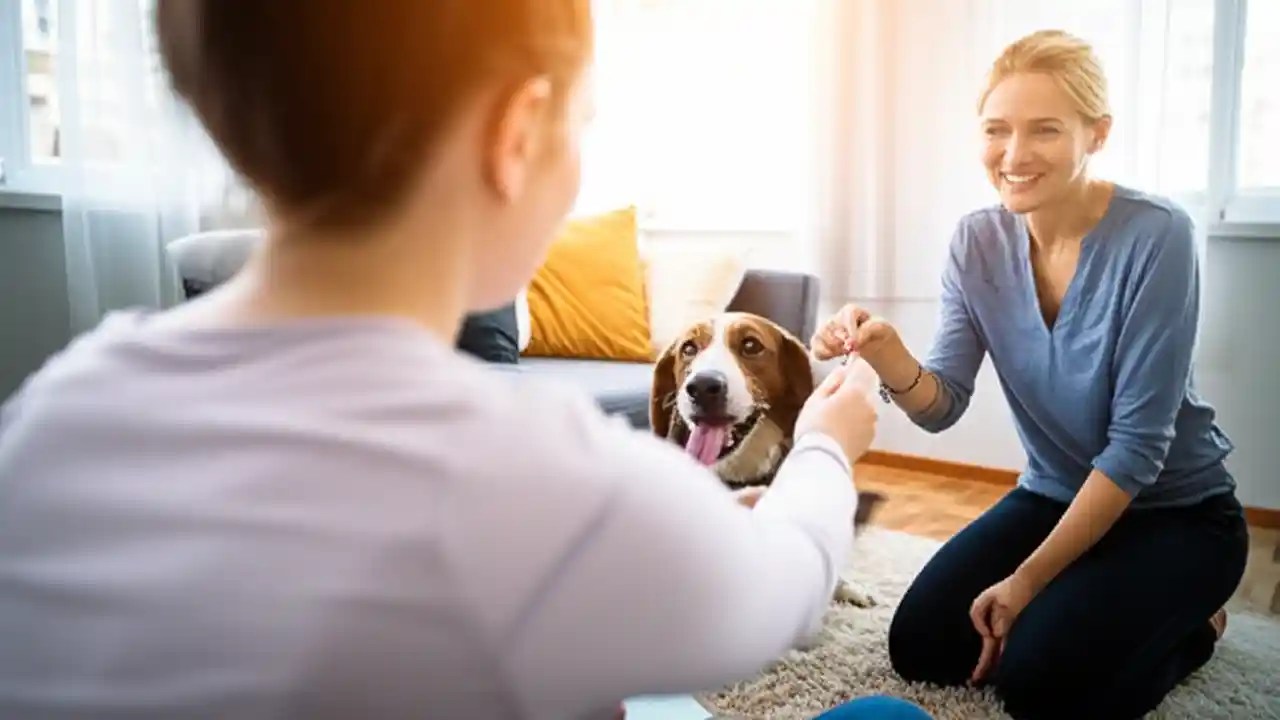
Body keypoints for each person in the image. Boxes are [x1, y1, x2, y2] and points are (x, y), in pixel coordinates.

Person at [0, 2, 924, 720]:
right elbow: (790, 590)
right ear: (515, 136)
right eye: (582, 123)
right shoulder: (540, 480)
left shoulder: (47, 421)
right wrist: (826, 445)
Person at [811, 29, 1249, 720]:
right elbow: (941, 405)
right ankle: (1094, 600)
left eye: (1045, 130)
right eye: (996, 130)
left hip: (1178, 517)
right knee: (922, 645)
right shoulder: (976, 240)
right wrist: (885, 350)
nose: (1014, 155)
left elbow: (1137, 449)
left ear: (1095, 134)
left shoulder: (1160, 235)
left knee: (1041, 685)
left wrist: (1027, 580)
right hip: (1053, 494)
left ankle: (1199, 629)